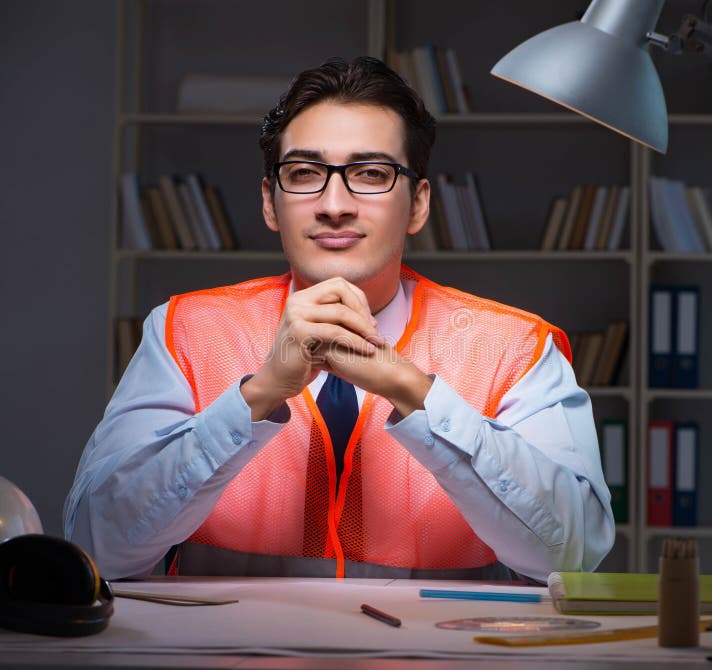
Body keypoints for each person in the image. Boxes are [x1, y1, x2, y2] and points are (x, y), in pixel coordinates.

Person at [64, 56, 614, 582]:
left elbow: (572, 553)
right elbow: (96, 545)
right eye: (304, 173)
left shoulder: (514, 346)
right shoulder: (186, 329)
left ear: (419, 204)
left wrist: (411, 388)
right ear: (269, 202)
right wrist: (257, 396)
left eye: (371, 173)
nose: (334, 203)